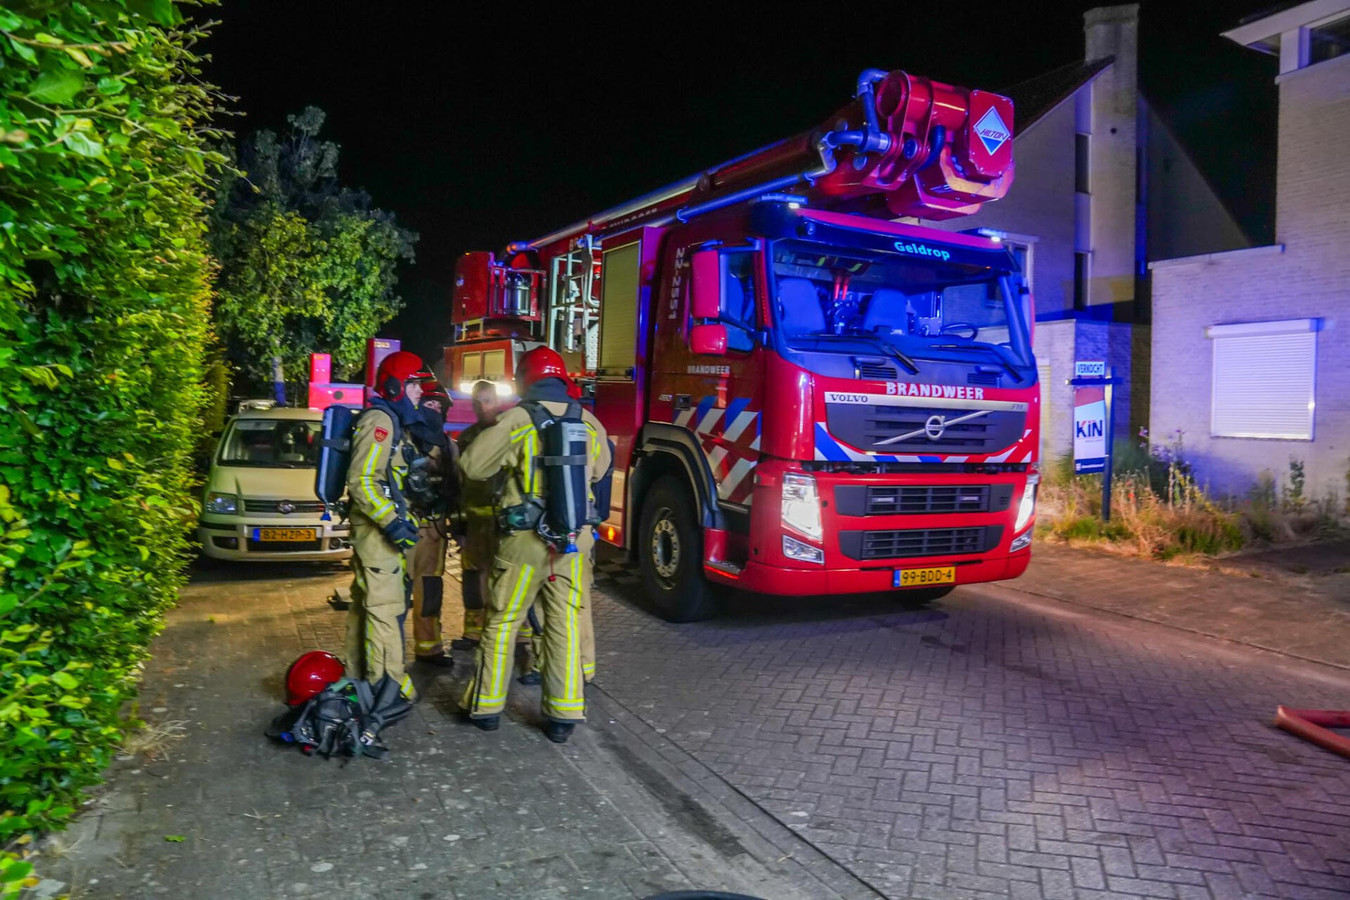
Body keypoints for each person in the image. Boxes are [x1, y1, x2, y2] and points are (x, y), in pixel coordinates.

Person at [458, 348, 610, 743]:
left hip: (524, 541)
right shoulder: (590, 422)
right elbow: (601, 469)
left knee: (503, 621)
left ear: (526, 380)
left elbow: (473, 465)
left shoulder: (519, 419)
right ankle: (563, 715)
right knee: (563, 625)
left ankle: (487, 708)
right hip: (572, 543)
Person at [344, 350, 431, 701]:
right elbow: (362, 481)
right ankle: (386, 690)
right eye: (414, 385)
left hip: (381, 535)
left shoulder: (394, 422)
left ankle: (356, 677)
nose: (419, 393)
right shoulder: (380, 421)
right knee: (385, 610)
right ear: (396, 386)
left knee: (366, 605)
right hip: (377, 535)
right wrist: (393, 522)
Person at [405, 381, 459, 668]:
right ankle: (382, 654)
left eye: (439, 407)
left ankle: (429, 648)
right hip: (402, 528)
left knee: (430, 592)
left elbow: (460, 486)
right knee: (394, 593)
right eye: (429, 405)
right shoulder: (402, 439)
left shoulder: (450, 448)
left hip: (434, 531)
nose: (435, 411)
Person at [451, 380, 502, 651]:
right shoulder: (467, 438)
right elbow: (459, 485)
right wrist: (458, 527)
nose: (482, 407)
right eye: (477, 402)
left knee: (504, 580)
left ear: (497, 401)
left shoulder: (508, 433)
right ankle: (473, 633)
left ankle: (516, 636)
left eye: (487, 400)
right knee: (473, 581)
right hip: (473, 526)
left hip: (502, 525)